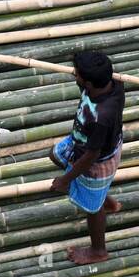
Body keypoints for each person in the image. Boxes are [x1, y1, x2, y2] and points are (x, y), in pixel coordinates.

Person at [49, 50, 124, 264]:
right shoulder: (114, 85)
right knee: (56, 154)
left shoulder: (101, 117)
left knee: (92, 208)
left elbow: (92, 156)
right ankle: (105, 200)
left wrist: (65, 180)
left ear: (88, 83)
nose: (75, 76)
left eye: (77, 74)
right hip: (81, 141)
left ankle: (98, 250)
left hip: (96, 160)